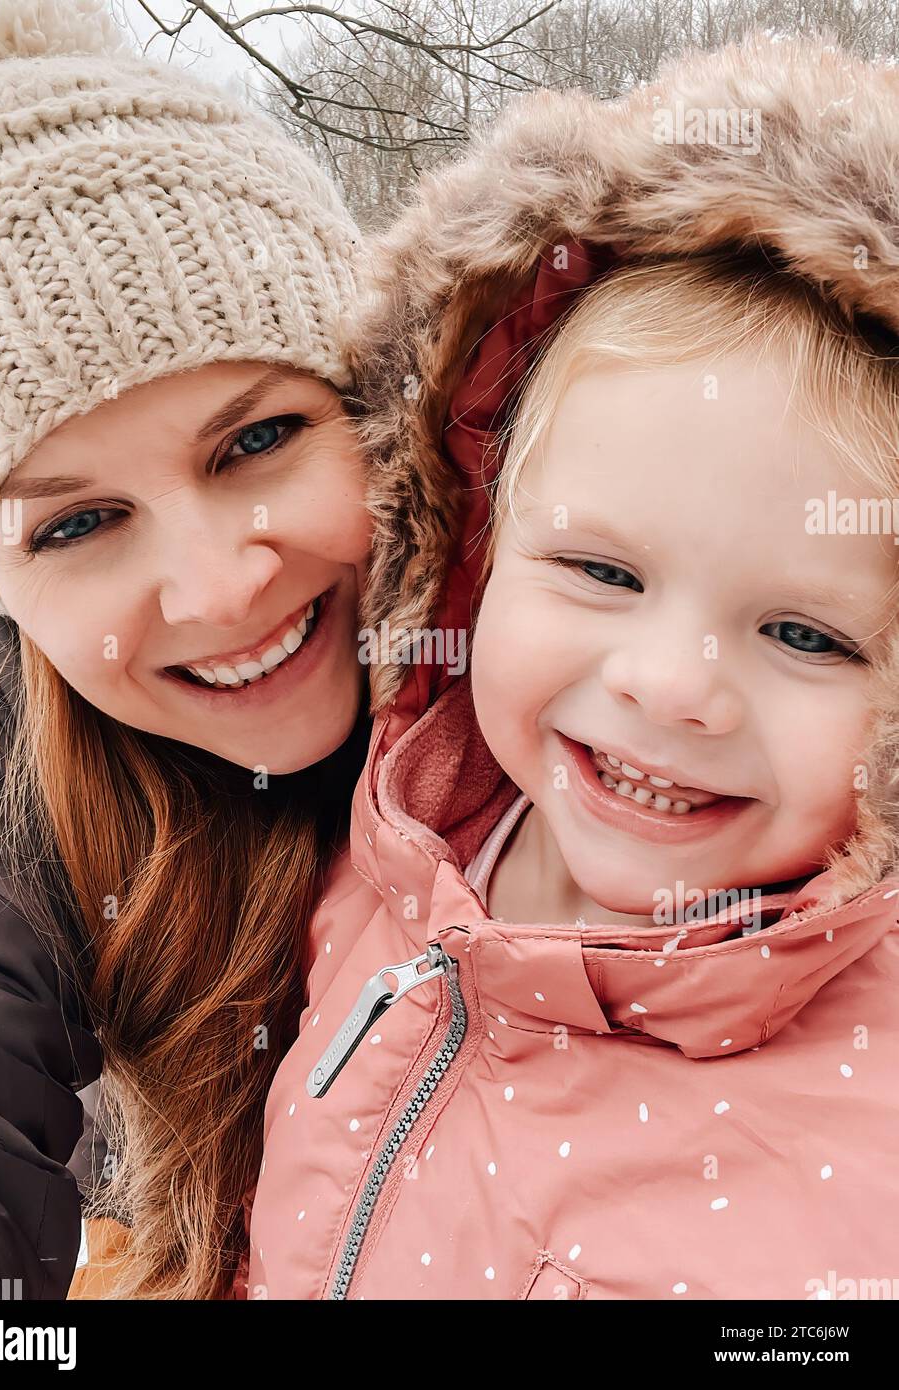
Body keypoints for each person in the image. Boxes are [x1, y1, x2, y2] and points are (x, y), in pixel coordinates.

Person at [246, 29, 899, 1298]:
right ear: (473, 557)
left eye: (805, 635)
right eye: (601, 573)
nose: (669, 684)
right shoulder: (393, 852)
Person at [0, 0, 376, 1300]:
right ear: (4, 589)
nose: (217, 585)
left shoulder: (583, 631)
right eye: (79, 522)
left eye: (256, 440)